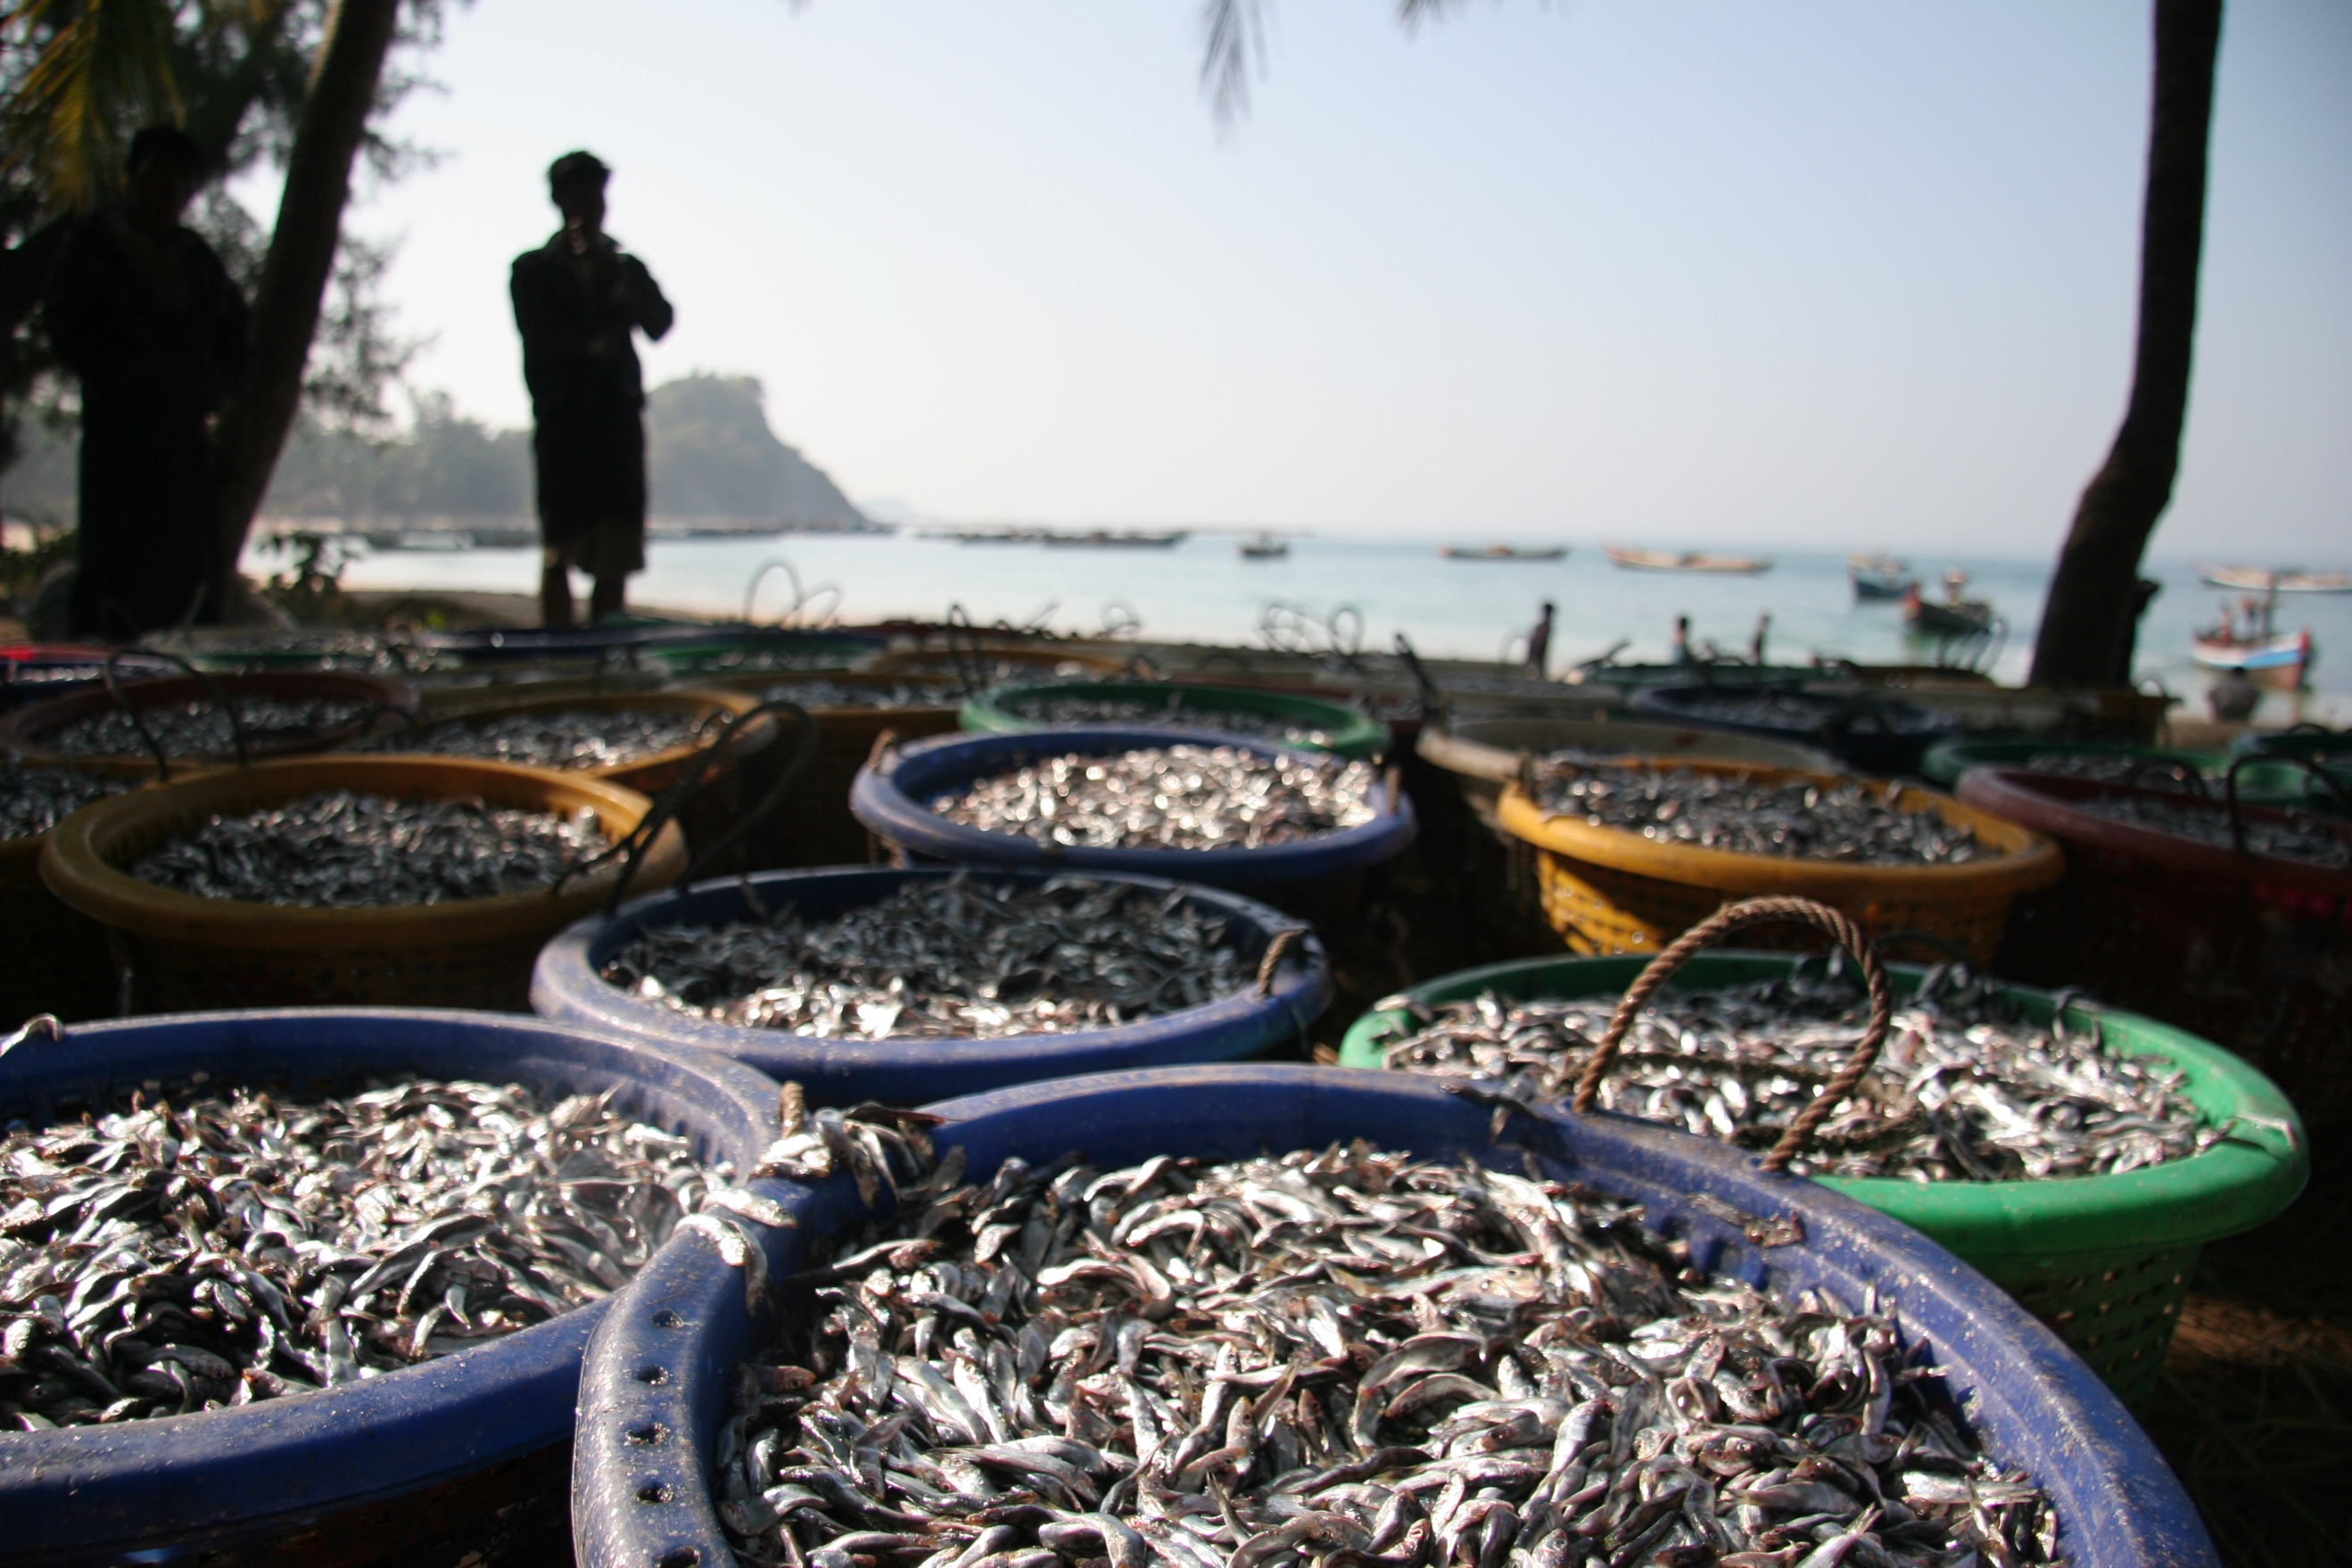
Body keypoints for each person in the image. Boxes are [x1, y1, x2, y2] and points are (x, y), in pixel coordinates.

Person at [43, 126, 251, 639]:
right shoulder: (91, 249)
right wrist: (127, 376)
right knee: (116, 567)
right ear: (134, 178)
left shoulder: (198, 264)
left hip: (182, 443)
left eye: (179, 185)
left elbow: (238, 349)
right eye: (159, 179)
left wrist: (204, 392)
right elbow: (67, 328)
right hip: (120, 441)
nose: (168, 194)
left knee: (189, 570)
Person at [510, 151, 673, 627]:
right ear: (559, 201)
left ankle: (607, 645)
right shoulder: (533, 270)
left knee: (616, 548)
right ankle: (558, 646)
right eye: (578, 195)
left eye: (595, 195)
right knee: (559, 541)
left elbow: (660, 322)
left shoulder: (625, 267)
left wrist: (616, 278)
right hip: (563, 419)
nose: (589, 205)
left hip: (616, 421)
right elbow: (541, 338)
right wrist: (596, 335)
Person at [1525, 600, 1555, 678]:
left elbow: (1540, 641)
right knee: (1535, 671)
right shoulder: (1544, 626)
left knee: (1537, 671)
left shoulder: (1545, 626)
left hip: (1539, 654)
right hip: (1537, 654)